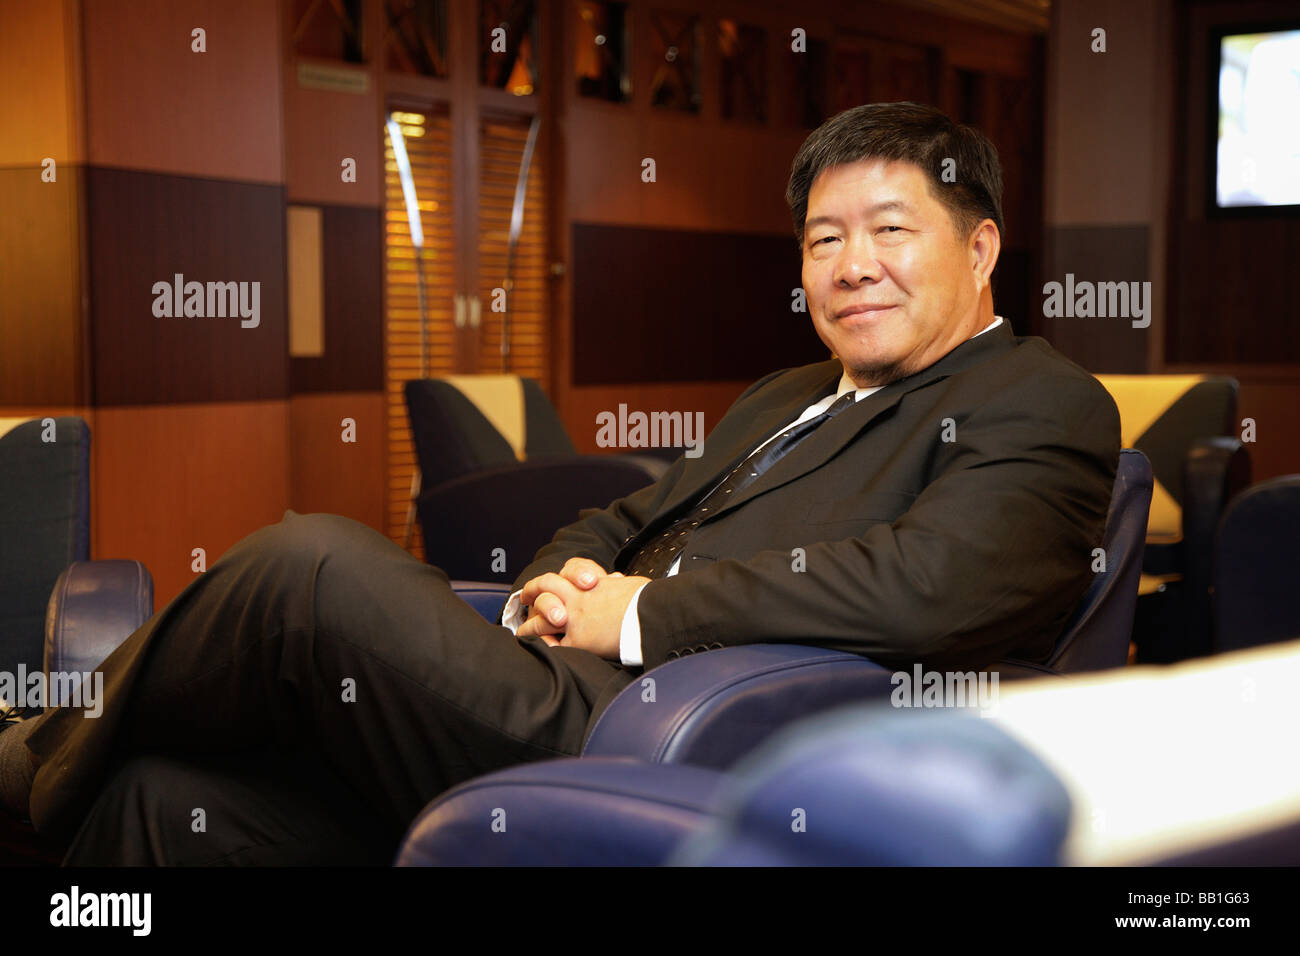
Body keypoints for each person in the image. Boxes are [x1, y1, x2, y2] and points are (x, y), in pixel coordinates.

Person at [0, 101, 1118, 865]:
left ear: (979, 250)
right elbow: (625, 512)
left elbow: (935, 587)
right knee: (161, 802)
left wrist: (638, 611)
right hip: (560, 679)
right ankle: (57, 782)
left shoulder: (1044, 399)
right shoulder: (787, 392)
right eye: (823, 238)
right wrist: (552, 581)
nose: (850, 264)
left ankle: (21, 760)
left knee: (311, 560)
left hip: (684, 735)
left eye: (888, 230)